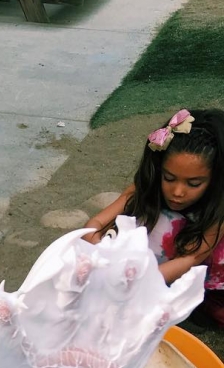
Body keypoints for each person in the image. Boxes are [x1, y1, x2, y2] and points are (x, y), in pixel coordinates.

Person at [82, 107, 224, 328]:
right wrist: (95, 247)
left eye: (193, 184)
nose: (178, 192)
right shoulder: (145, 189)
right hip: (156, 268)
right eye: (169, 178)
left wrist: (136, 283)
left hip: (196, 262)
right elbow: (95, 224)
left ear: (215, 180)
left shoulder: (218, 211)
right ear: (158, 169)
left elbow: (191, 259)